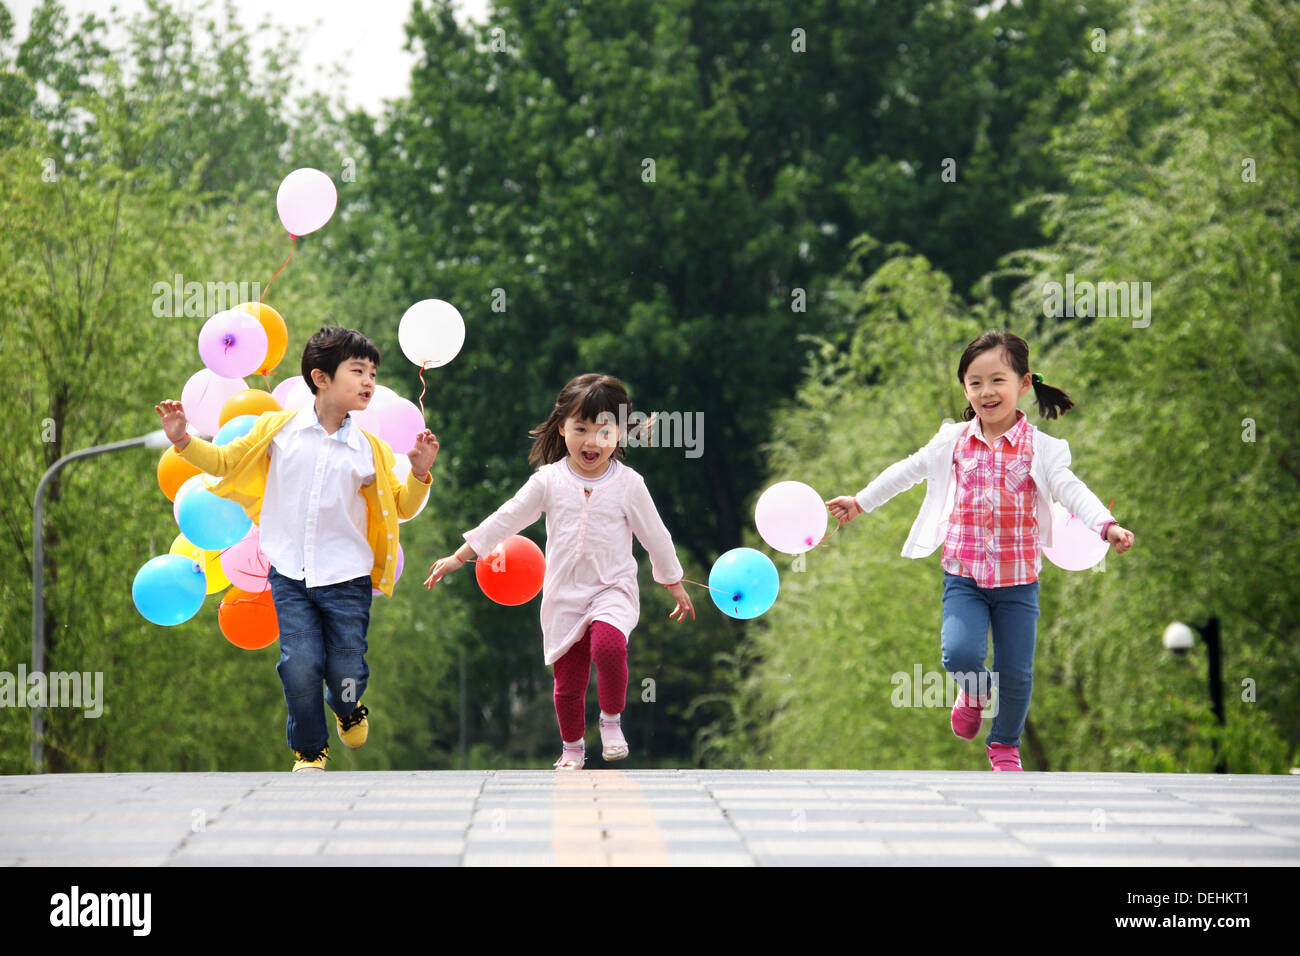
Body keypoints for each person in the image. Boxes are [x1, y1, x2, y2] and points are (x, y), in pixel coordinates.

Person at [825, 330, 1135, 771]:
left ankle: (1005, 745)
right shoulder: (952, 441)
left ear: (1024, 384)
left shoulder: (1043, 450)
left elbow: (1071, 490)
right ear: (965, 389)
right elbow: (908, 471)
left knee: (1017, 673)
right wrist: (860, 501)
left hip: (1019, 582)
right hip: (964, 576)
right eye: (975, 382)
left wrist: (1106, 526)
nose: (986, 392)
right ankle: (973, 690)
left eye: (997, 381)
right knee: (960, 654)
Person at [155, 326, 439, 772]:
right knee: (299, 662)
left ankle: (347, 707)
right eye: (358, 371)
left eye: (373, 374)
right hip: (289, 573)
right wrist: (183, 442)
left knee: (346, 666)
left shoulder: (371, 451)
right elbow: (226, 462)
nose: (369, 382)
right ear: (321, 378)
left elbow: (401, 507)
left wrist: (420, 475)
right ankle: (309, 748)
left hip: (347, 578)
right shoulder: (277, 431)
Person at [425, 373, 694, 770]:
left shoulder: (629, 484)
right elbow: (507, 518)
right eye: (580, 428)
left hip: (612, 588)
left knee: (608, 647)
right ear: (562, 426)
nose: (591, 442)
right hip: (564, 593)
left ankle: (611, 721)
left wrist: (673, 581)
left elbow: (656, 535)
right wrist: (460, 556)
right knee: (567, 682)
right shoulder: (548, 481)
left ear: (621, 433)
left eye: (604, 431)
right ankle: (571, 748)